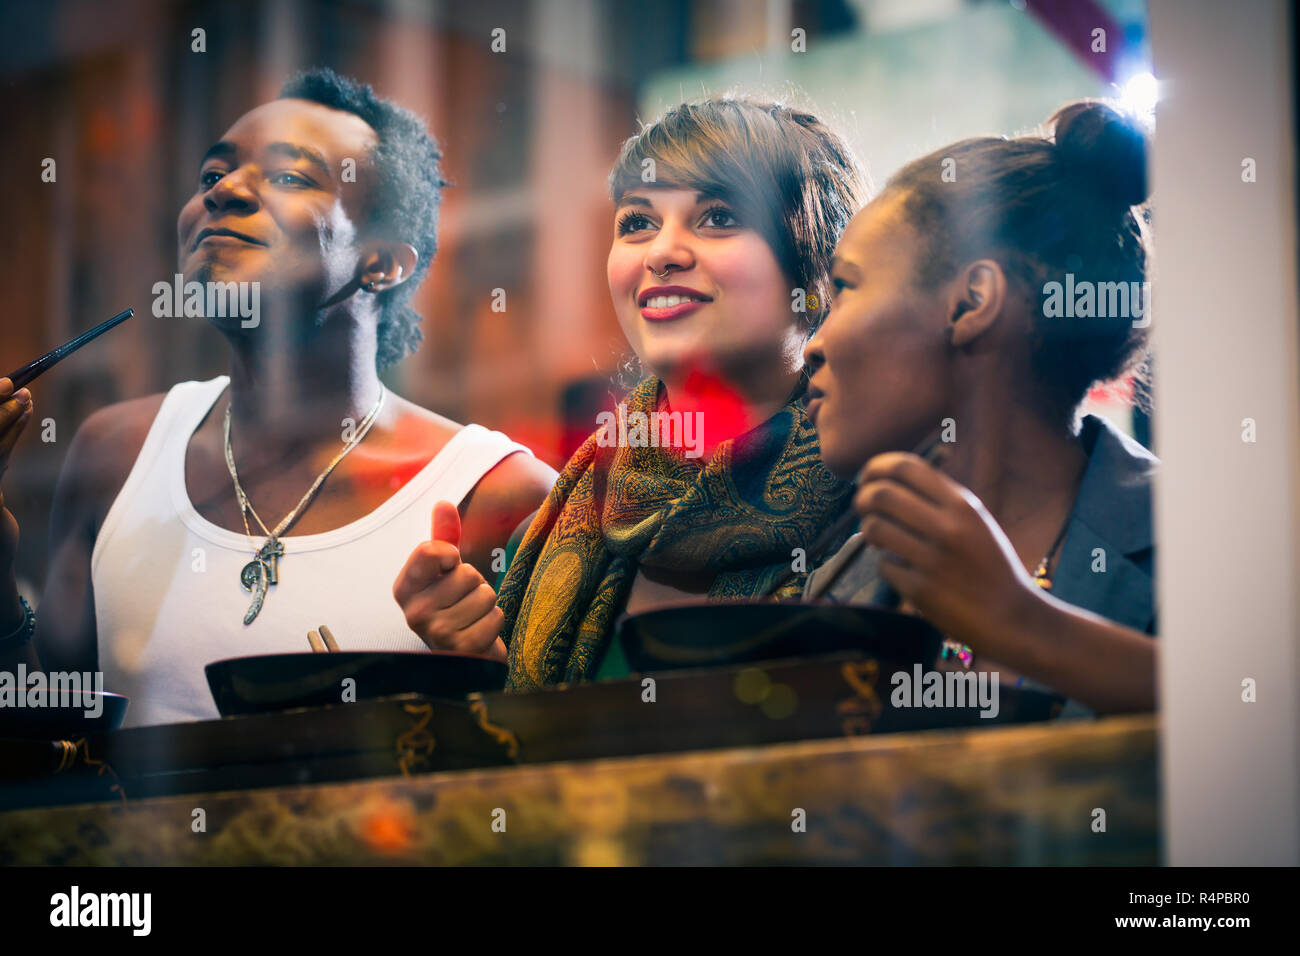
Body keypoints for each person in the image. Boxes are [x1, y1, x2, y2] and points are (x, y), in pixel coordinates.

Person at [0, 68, 556, 726]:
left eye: (290, 176)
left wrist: (485, 684)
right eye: (212, 175)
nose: (224, 191)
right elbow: (47, 741)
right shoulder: (113, 455)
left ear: (383, 263)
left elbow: (564, 755)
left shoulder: (498, 494)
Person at [394, 96, 869, 689]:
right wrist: (477, 670)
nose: (662, 253)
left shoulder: (886, 516)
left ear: (821, 267)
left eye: (719, 216)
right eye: (637, 222)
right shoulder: (545, 534)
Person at [802, 100, 1156, 716]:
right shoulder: (844, 582)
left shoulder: (1196, 537)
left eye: (846, 287)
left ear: (972, 303)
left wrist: (1020, 620)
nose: (813, 345)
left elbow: (1259, 716)